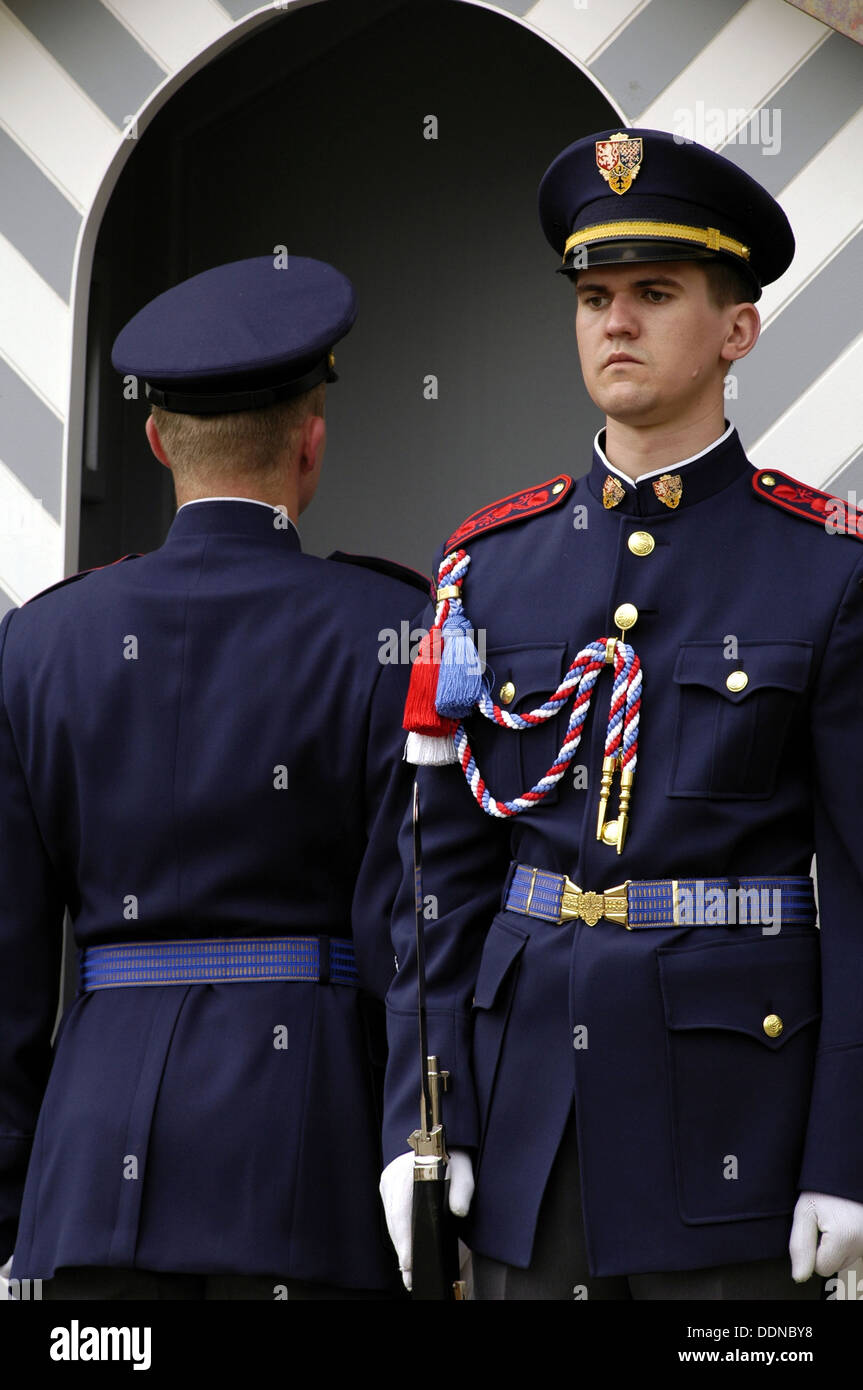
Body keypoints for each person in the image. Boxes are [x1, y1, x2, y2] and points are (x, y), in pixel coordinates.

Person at [380, 129, 863, 1300]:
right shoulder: (481, 568)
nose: (615, 323)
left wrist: (847, 1153)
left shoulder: (824, 570)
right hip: (525, 1116)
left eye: (654, 293)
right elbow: (433, 873)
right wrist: (419, 1117)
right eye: (594, 296)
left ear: (735, 328)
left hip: (736, 1128)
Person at [0, 254, 427, 1299]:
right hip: (306, 1167)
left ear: (155, 441)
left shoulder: (42, 643)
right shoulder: (387, 631)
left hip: (91, 1177)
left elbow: (8, 963)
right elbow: (410, 940)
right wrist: (415, 1167)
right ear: (310, 441)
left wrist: (17, 1200)